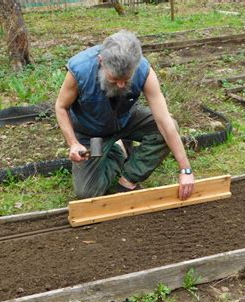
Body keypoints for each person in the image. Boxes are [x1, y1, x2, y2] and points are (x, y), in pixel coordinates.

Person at [55, 30, 194, 200]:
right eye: (114, 80)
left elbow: (164, 121)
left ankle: (128, 179)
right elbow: (61, 107)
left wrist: (185, 169)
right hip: (94, 134)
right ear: (101, 62)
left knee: (168, 128)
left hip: (126, 120)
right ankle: (117, 151)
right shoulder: (81, 69)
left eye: (126, 79)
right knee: (87, 193)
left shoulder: (143, 69)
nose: (121, 85)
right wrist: (73, 143)